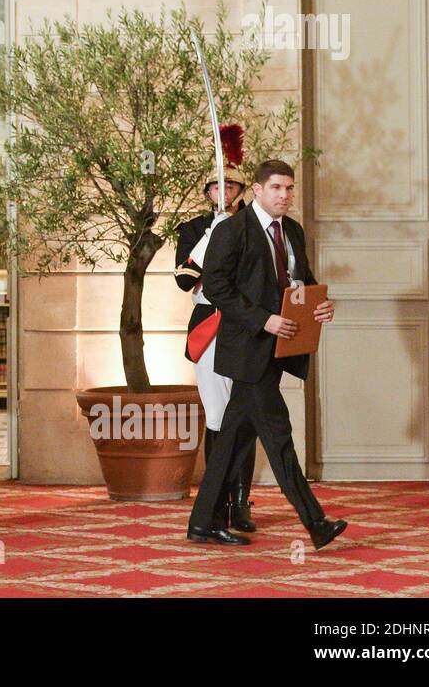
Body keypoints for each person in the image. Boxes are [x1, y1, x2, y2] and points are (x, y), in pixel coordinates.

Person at [187, 160, 347, 549]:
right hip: (246, 351)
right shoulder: (232, 230)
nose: (285, 195)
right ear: (257, 190)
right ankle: (316, 522)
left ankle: (201, 524)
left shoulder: (292, 230)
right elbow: (218, 288)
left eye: (289, 188)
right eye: (276, 188)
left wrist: (319, 305)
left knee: (232, 442)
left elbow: (302, 282)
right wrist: (264, 321)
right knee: (279, 435)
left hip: (279, 350)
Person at [173, 123, 257, 532]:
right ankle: (217, 501)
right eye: (215, 188)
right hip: (210, 325)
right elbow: (186, 280)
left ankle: (241, 501)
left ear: (241, 190)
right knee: (219, 416)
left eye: (229, 187)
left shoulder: (255, 228)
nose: (222, 194)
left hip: (248, 326)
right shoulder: (193, 230)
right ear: (207, 192)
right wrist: (213, 233)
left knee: (250, 413)